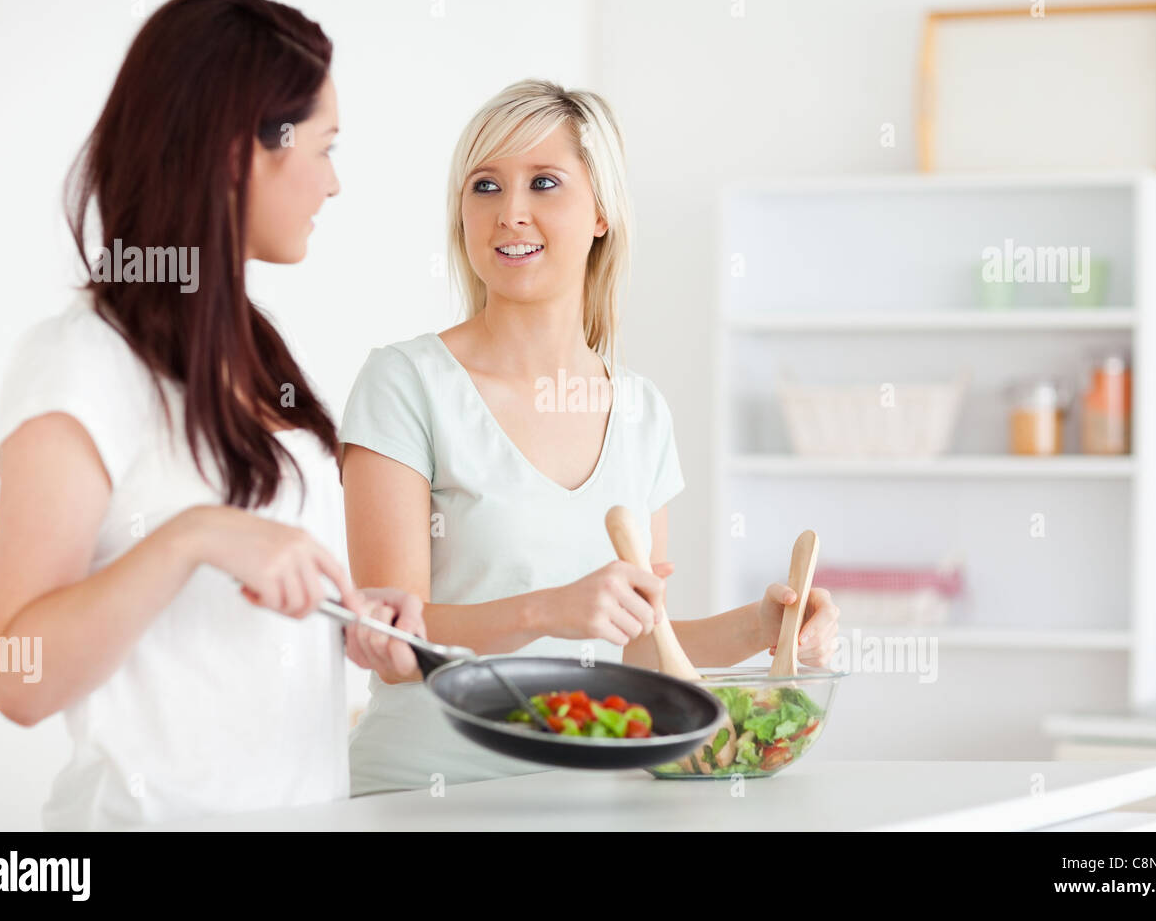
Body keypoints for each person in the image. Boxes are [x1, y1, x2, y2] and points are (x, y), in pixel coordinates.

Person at [0, 0, 424, 830]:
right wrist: (192, 537)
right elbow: (17, 676)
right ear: (236, 154)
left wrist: (348, 618)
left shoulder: (253, 352)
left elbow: (227, 627)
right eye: (325, 148)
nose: (335, 182)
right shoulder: (79, 362)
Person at [339, 79, 840, 794]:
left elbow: (638, 650)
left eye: (544, 183)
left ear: (602, 211)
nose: (510, 212)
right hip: (425, 794)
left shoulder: (642, 412)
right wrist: (550, 610)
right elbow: (389, 641)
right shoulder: (405, 383)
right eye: (485, 186)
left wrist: (761, 627)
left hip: (593, 798)